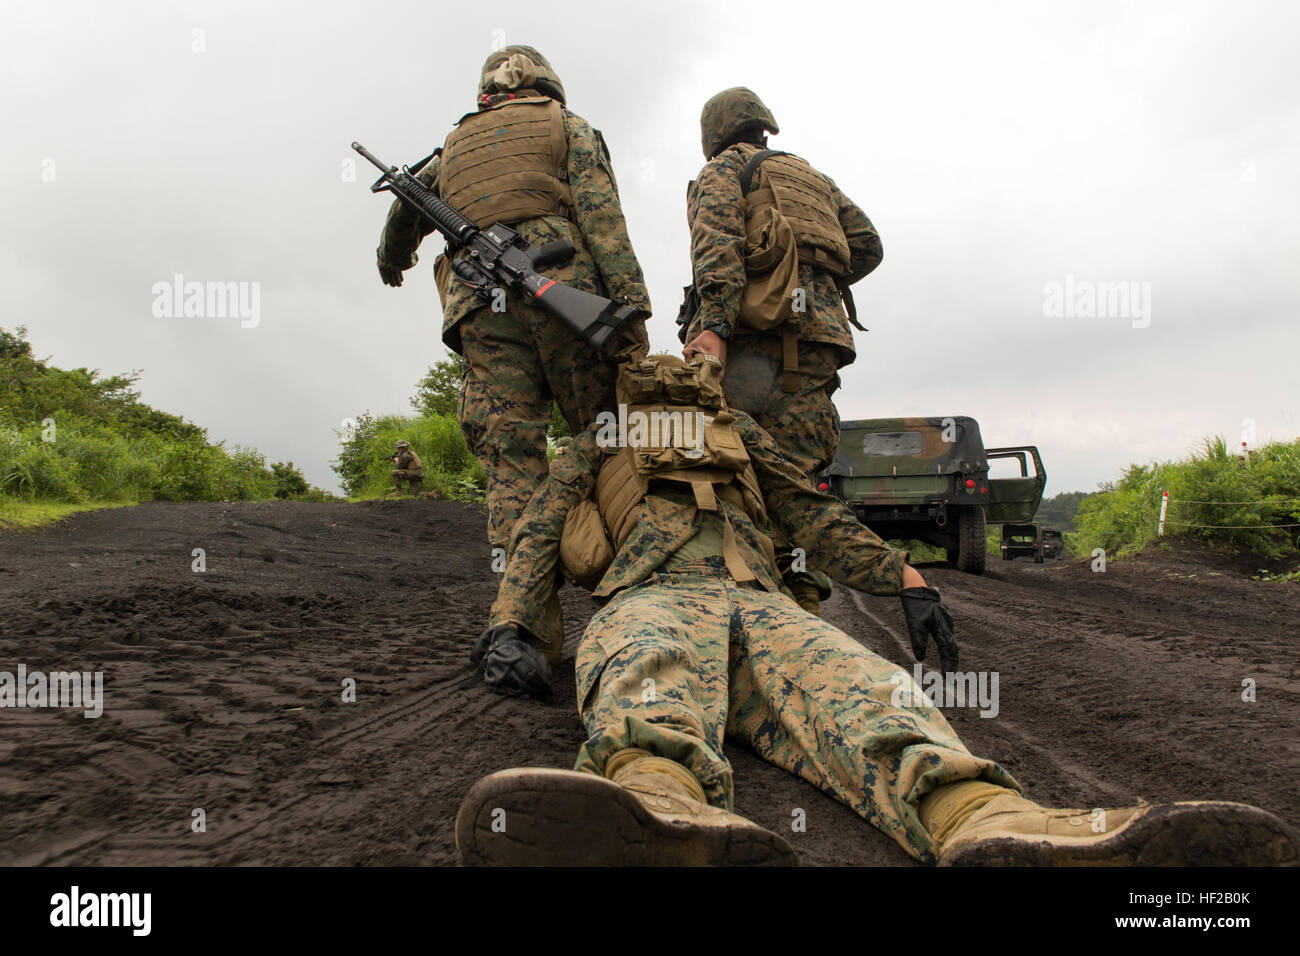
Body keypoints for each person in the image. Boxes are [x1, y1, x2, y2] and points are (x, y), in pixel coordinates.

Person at [455, 354, 1298, 866]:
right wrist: (514, 622)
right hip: (649, 595)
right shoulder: (598, 439)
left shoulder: (743, 437)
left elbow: (819, 519)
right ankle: (656, 812)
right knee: (647, 679)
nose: (677, 383)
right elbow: (535, 533)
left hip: (766, 602)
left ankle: (993, 823)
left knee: (871, 690)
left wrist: (907, 579)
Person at [374, 44, 651, 565]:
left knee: (509, 457)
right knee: (611, 435)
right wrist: (631, 313)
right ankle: (637, 583)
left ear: (487, 92)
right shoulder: (567, 126)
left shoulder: (452, 146)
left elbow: (403, 213)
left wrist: (393, 259)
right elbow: (604, 223)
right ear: (547, 84)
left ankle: (523, 622)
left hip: (482, 306)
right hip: (568, 297)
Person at [680, 87, 883, 617]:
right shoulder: (812, 178)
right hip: (819, 344)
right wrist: (815, 282)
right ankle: (805, 609)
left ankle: (750, 610)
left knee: (739, 473)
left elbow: (717, 249)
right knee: (799, 479)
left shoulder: (724, 171)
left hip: (754, 346)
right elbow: (867, 244)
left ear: (714, 132)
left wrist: (717, 327)